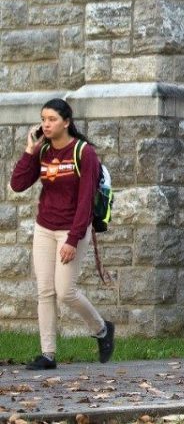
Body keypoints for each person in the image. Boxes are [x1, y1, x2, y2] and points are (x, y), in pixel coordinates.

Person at [10, 98, 115, 370]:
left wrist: (72, 239)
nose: (46, 124)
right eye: (43, 119)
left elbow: (85, 200)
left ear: (66, 122)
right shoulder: (43, 150)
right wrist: (29, 150)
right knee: (45, 291)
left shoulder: (84, 153)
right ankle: (48, 354)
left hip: (72, 228)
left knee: (65, 292)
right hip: (45, 227)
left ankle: (102, 329)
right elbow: (18, 184)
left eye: (52, 119)